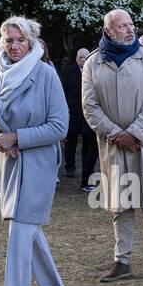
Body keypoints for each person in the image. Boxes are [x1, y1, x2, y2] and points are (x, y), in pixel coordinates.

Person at [0, 16, 68, 286]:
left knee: (19, 230)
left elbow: (60, 126)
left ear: (31, 43)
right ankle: (51, 284)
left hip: (40, 164)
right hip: (9, 163)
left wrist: (16, 137)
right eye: (9, 41)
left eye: (20, 41)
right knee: (28, 228)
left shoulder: (45, 74)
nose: (15, 46)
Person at [82, 9, 143, 281]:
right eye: (122, 26)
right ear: (108, 31)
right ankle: (122, 261)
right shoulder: (93, 63)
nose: (129, 29)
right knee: (120, 204)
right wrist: (116, 134)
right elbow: (90, 106)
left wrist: (134, 133)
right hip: (114, 146)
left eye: (131, 24)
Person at [58, 47, 92, 186]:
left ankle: (86, 168)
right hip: (72, 112)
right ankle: (70, 166)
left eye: (85, 57)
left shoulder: (93, 71)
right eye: (80, 57)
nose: (83, 60)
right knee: (71, 142)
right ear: (76, 58)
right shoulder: (68, 72)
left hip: (88, 113)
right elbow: (62, 91)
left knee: (88, 143)